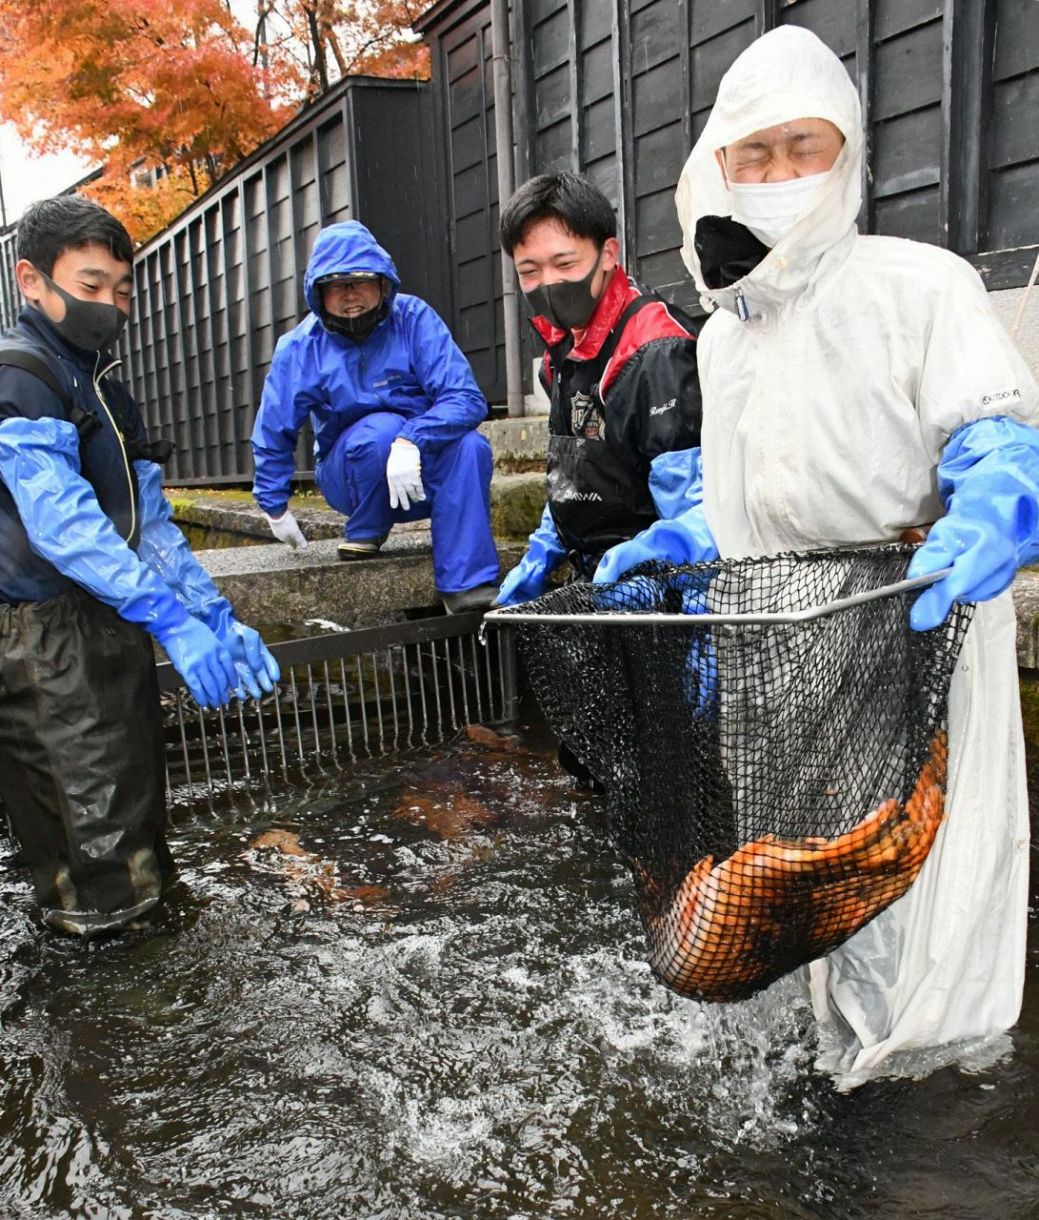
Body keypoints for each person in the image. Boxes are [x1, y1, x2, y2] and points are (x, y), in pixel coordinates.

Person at [594, 25, 1039, 1086]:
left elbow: (993, 435)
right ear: (716, 165)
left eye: (807, 146)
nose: (781, 174)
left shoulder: (919, 285)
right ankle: (828, 1061)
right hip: (776, 653)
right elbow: (744, 491)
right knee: (797, 893)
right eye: (755, 154)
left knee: (919, 901)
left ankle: (923, 1106)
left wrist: (992, 507)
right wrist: (683, 537)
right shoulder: (722, 332)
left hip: (910, 632)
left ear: (848, 156)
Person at [0, 195, 279, 938]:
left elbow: (149, 523)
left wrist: (213, 617)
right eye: (90, 287)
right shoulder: (22, 378)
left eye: (122, 291)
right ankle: (111, 1002)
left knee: (135, 813)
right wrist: (166, 617)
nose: (110, 306)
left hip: (106, 618)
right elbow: (63, 526)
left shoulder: (106, 388)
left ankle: (143, 947)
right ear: (33, 281)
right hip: (42, 641)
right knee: (91, 836)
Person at [250, 220, 500, 614]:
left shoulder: (414, 319)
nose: (351, 296)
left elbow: (466, 398)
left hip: (419, 468)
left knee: (471, 447)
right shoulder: (299, 348)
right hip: (349, 474)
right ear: (318, 293)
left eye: (361, 282)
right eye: (337, 286)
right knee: (381, 431)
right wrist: (274, 505)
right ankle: (367, 526)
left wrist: (413, 438)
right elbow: (273, 429)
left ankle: (467, 585)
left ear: (383, 283)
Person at [494, 172, 704, 604]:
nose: (549, 284)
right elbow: (573, 471)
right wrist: (543, 550)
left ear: (608, 253)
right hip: (595, 576)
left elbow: (694, 509)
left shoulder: (658, 352)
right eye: (529, 271)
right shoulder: (562, 350)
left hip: (657, 587)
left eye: (565, 264)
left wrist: (674, 590)